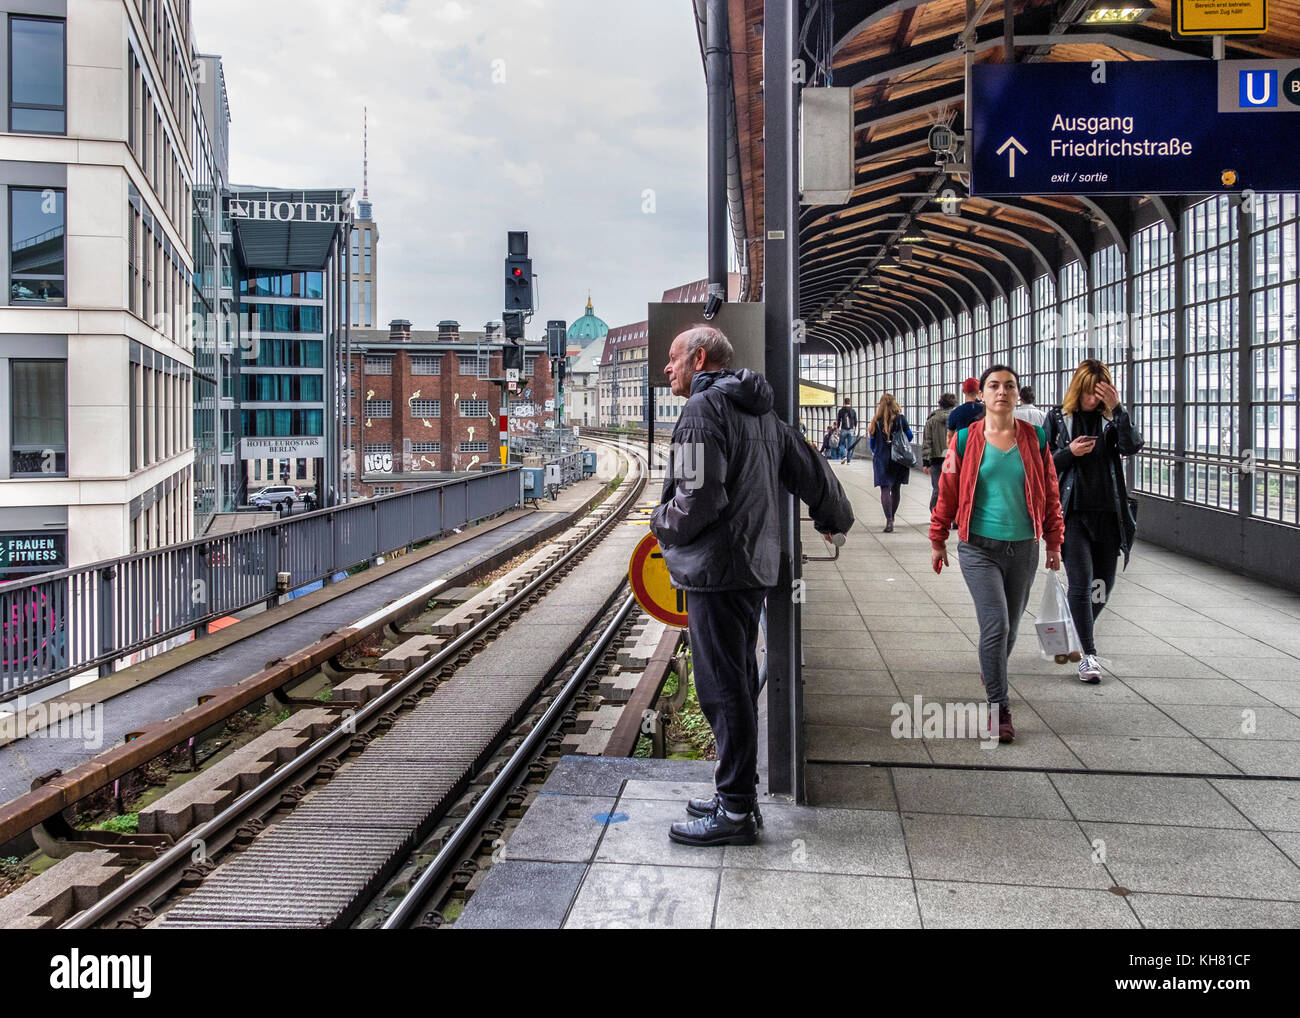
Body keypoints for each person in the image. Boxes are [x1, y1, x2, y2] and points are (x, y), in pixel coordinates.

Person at [650, 325, 853, 847]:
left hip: (717, 570)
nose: (667, 369)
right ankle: (733, 794)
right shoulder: (759, 407)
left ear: (697, 358)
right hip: (752, 565)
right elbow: (807, 463)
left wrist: (659, 521)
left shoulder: (701, 411)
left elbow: (697, 501)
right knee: (736, 680)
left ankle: (736, 809)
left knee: (722, 688)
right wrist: (835, 515)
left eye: (672, 359)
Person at [930, 364, 1064, 743]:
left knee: (1012, 628)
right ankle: (998, 708)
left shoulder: (1036, 439)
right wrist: (938, 537)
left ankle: (993, 670)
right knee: (997, 625)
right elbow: (948, 490)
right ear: (982, 395)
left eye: (1009, 386)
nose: (1002, 391)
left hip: (1023, 547)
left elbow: (1050, 493)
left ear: (1017, 394)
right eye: (993, 386)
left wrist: (1054, 541)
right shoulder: (963, 439)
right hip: (978, 548)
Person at [1045, 359, 1143, 684]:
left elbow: (1132, 446)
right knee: (1082, 584)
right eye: (1089, 393)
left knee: (1103, 587)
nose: (1094, 399)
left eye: (1100, 393)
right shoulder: (1060, 418)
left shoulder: (1111, 420)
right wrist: (1069, 452)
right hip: (1072, 514)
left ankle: (1073, 631)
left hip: (1108, 515)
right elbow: (1042, 464)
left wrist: (1119, 411)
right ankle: (1088, 655)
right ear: (1079, 390)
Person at [866, 394, 913, 533]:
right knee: (896, 489)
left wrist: (878, 449)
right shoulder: (901, 419)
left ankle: (889, 520)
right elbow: (909, 436)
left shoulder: (876, 421)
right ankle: (892, 517)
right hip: (899, 459)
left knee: (885, 489)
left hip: (882, 458)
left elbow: (872, 443)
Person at [922, 393, 958, 512]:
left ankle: (934, 511)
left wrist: (926, 462)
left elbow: (927, 441)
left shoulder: (931, 420)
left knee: (937, 487)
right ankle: (952, 516)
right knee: (952, 487)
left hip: (935, 458)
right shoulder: (957, 418)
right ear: (953, 404)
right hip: (951, 457)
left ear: (940, 403)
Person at [836, 398, 859, 464]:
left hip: (843, 429)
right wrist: (855, 429)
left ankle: (844, 456)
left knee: (841, 444)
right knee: (850, 445)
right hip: (851, 429)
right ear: (850, 402)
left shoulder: (841, 411)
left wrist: (837, 429)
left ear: (844, 403)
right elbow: (855, 421)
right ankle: (848, 460)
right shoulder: (853, 411)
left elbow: (838, 420)